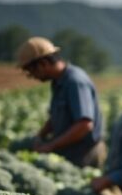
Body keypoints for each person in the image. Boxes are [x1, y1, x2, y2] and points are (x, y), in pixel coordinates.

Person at [15, 36, 105, 167]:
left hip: (85, 155)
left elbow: (84, 125)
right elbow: (56, 117)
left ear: (43, 64)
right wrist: (40, 136)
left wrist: (50, 146)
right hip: (72, 152)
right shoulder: (58, 82)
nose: (32, 77)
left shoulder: (75, 82)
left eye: (31, 72)